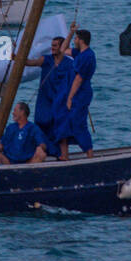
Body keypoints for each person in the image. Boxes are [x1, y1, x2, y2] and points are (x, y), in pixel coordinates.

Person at [24, 36, 73, 150]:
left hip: (60, 100)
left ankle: (60, 153)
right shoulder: (46, 60)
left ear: (62, 47)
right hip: (45, 99)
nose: (52, 48)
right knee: (41, 123)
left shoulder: (69, 64)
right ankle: (43, 150)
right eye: (52, 45)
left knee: (59, 126)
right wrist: (17, 58)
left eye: (55, 46)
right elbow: (30, 62)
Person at [57, 24, 95, 160]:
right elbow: (62, 50)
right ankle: (64, 155)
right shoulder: (79, 53)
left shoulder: (88, 56)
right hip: (74, 94)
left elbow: (79, 79)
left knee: (78, 123)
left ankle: (90, 155)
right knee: (65, 121)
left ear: (81, 40)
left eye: (75, 38)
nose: (74, 41)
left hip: (80, 95)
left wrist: (70, 98)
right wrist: (71, 33)